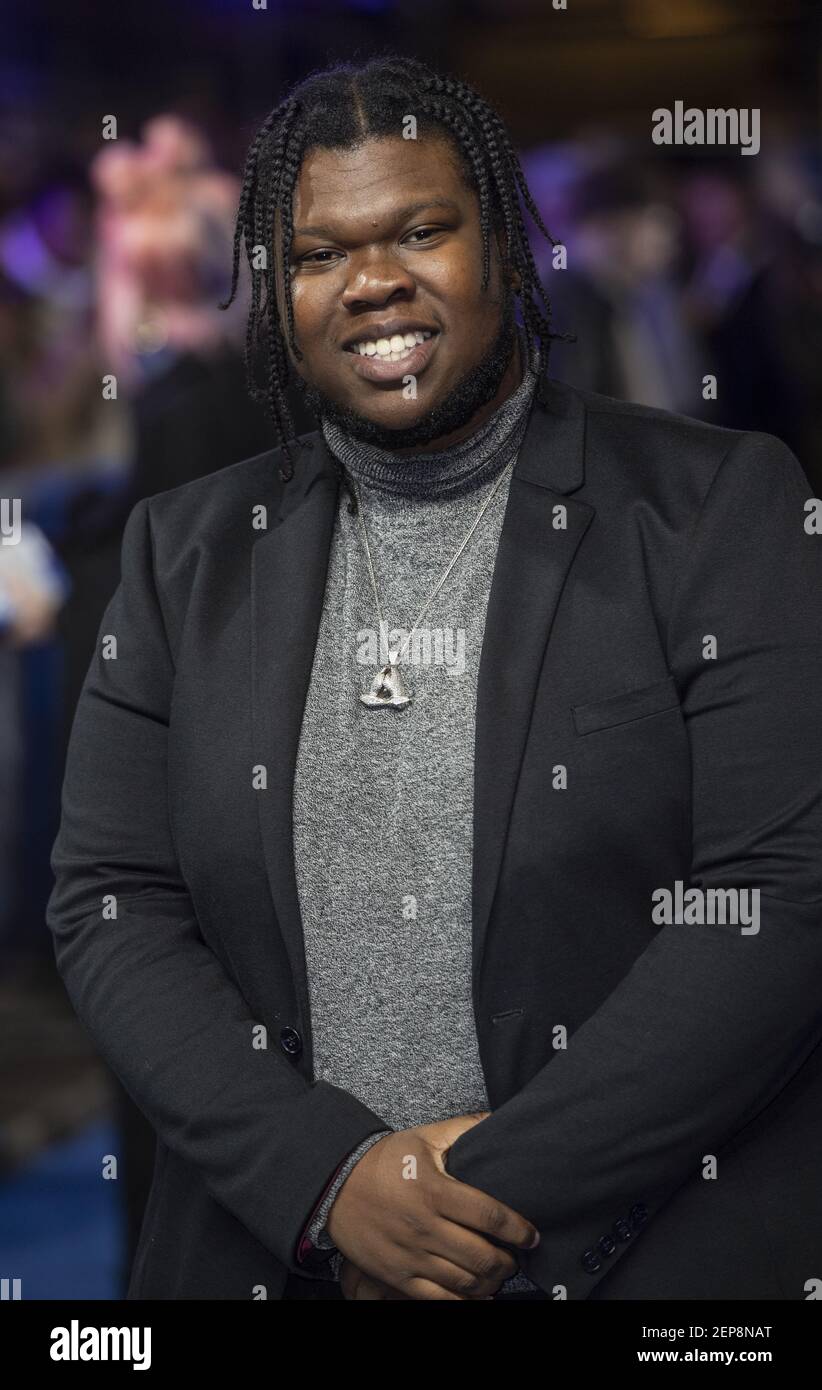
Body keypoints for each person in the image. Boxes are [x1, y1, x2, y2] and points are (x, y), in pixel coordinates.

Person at [46, 55, 822, 1302]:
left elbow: (781, 895)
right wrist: (331, 1186)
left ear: (506, 249)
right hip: (275, 1258)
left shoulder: (715, 511)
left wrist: (475, 1201)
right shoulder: (183, 555)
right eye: (316, 255)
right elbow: (110, 901)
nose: (372, 283)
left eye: (420, 230)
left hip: (642, 1258)